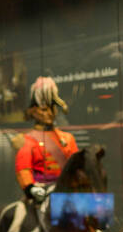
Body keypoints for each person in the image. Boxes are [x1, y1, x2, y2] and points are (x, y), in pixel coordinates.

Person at [14, 76, 77, 204]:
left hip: (65, 194)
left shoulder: (67, 139)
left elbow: (75, 168)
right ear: (33, 111)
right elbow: (24, 169)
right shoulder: (27, 140)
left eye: (52, 107)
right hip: (40, 195)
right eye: (44, 109)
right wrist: (30, 188)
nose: (48, 112)